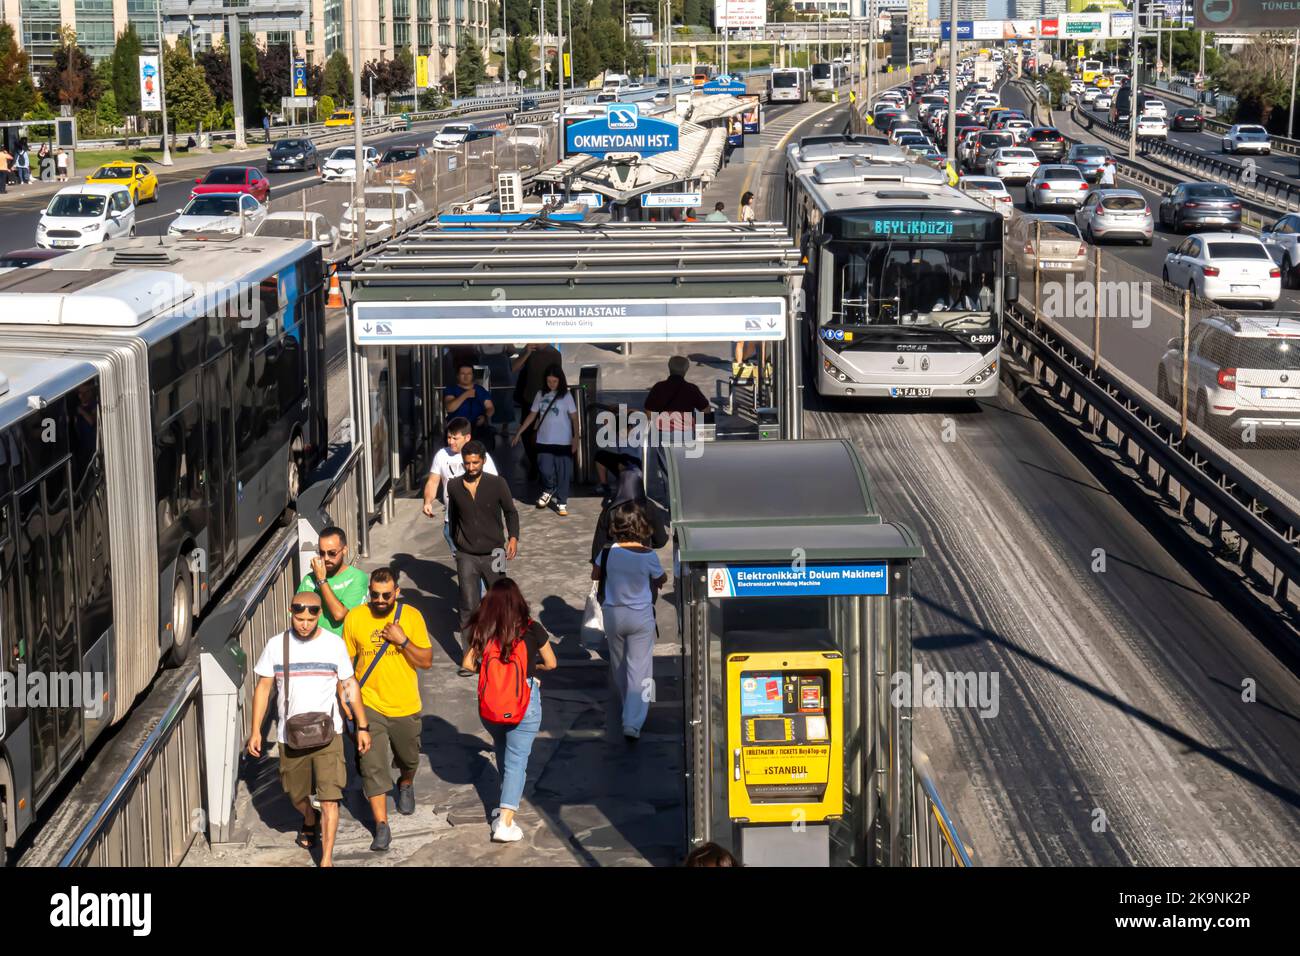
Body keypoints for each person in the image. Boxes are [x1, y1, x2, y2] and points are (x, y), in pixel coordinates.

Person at [248, 591, 369, 867]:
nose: (303, 624)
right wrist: (256, 730)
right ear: (291, 613)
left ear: (318, 617)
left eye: (309, 619)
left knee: (330, 799)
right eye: (298, 618)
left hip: (329, 734)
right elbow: (264, 688)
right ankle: (309, 817)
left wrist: (362, 726)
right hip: (290, 736)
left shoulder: (333, 645)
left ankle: (326, 859)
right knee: (295, 793)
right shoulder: (277, 645)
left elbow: (350, 686)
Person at [341, 567, 433, 852]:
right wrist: (346, 702)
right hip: (369, 704)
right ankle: (381, 825)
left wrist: (402, 640)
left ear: (396, 593)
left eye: (386, 595)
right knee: (372, 765)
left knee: (409, 758)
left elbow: (426, 661)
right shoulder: (355, 618)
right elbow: (346, 668)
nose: (379, 600)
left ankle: (405, 782)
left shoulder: (412, 617)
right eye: (375, 594)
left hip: (405, 704)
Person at [461, 579, 557, 843]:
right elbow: (551, 662)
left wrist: (492, 674)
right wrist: (532, 671)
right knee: (517, 761)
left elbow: (468, 664)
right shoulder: (532, 629)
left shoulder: (484, 630)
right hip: (523, 701)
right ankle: (505, 822)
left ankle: (502, 805)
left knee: (504, 752)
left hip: (491, 704)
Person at [592, 502, 667, 741]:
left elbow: (595, 575)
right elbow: (661, 578)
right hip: (641, 615)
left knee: (619, 664)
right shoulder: (649, 556)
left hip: (614, 614)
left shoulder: (606, 552)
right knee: (641, 668)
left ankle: (627, 705)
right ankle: (633, 721)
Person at [446, 440, 520, 659]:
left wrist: (513, 538)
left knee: (501, 602)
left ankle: (505, 650)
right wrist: (457, 545)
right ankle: (469, 656)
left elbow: (511, 512)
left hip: (496, 552)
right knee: (468, 604)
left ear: (483, 461)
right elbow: (453, 518)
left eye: (475, 463)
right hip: (466, 555)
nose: (471, 468)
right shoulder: (454, 486)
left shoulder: (497, 483)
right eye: (467, 463)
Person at [422, 416, 499, 557]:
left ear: (467, 437)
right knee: (465, 563)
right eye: (449, 437)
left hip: (478, 520)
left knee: (478, 562)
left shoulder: (480, 456)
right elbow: (433, 481)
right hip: (452, 520)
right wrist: (427, 502)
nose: (450, 442)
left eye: (455, 438)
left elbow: (494, 485)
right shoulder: (442, 455)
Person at [511, 364, 579, 517]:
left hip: (564, 440)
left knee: (563, 472)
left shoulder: (566, 396)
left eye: (555, 381)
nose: (552, 384)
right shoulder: (540, 394)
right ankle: (549, 488)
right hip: (544, 440)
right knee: (544, 468)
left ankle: (562, 502)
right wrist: (518, 432)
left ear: (560, 380)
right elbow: (532, 415)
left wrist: (576, 438)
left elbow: (574, 418)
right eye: (549, 381)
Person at [296, 525, 369, 637]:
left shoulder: (357, 578)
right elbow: (298, 618)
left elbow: (339, 614)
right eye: (321, 553)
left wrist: (321, 580)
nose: (326, 558)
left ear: (344, 550)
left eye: (332, 553)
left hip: (345, 650)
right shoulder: (309, 580)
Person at [590, 463, 669, 565]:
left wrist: (597, 568)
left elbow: (599, 543)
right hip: (642, 562)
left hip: (614, 565)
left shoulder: (610, 508)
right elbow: (661, 540)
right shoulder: (649, 506)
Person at [510, 342, 562, 481]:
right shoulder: (528, 350)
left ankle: (545, 465)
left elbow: (559, 379)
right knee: (527, 434)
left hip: (547, 401)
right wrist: (526, 353)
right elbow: (514, 367)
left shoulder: (554, 354)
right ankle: (534, 463)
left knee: (547, 433)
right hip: (529, 398)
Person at [443, 362, 496, 449]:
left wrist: (485, 416)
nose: (466, 376)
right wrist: (466, 394)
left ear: (472, 375)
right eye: (463, 373)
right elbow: (450, 408)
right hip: (457, 430)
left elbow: (490, 407)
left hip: (477, 430)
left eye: (469, 373)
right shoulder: (451, 389)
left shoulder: (480, 390)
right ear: (457, 376)